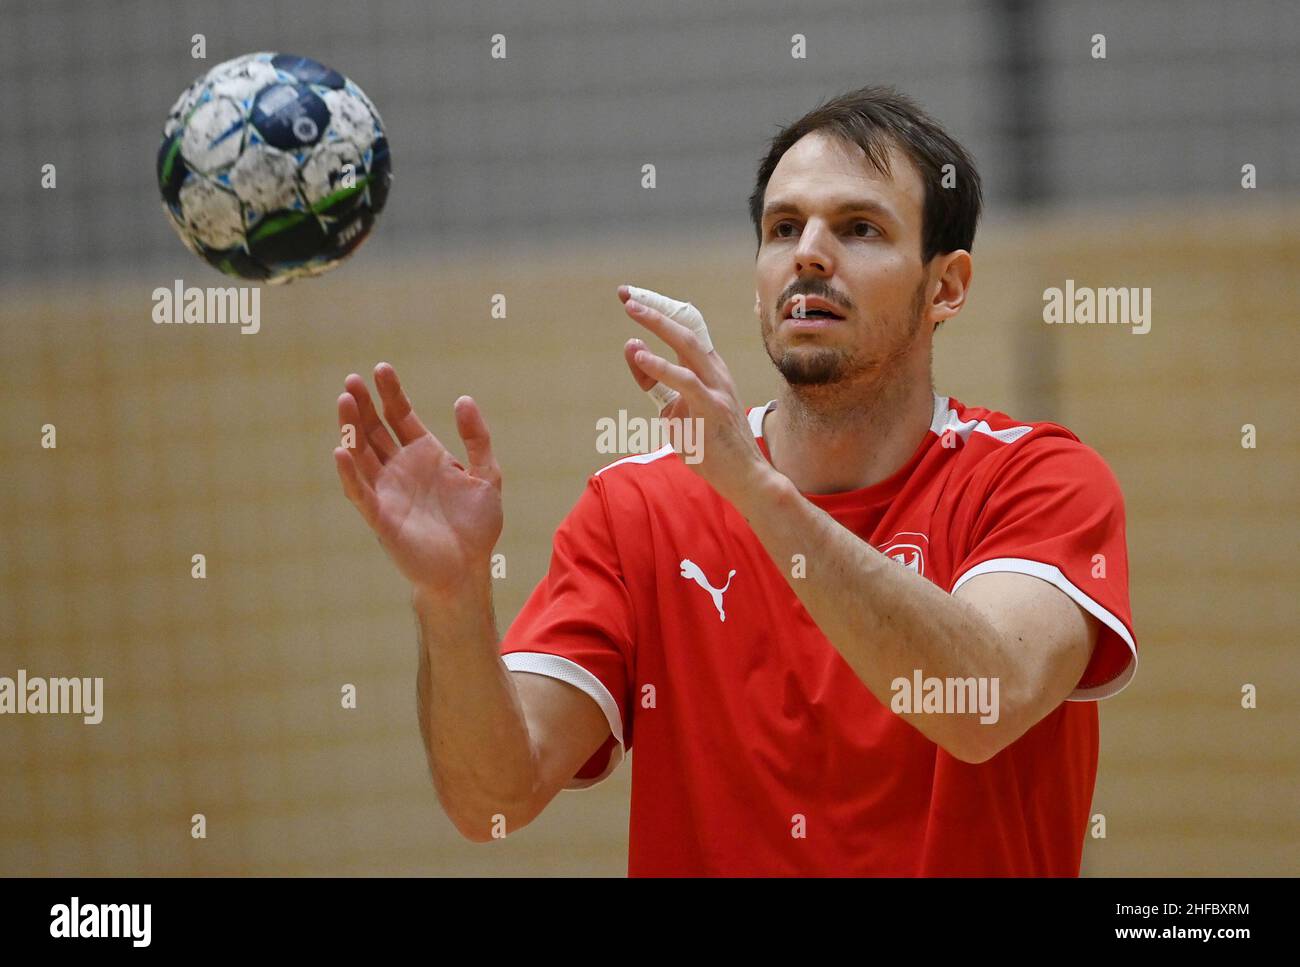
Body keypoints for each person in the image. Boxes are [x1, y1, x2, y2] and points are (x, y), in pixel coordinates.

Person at [332, 85, 1138, 876]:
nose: (808, 253)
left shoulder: (1038, 479)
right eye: (783, 227)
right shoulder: (637, 509)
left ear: (946, 287)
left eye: (860, 228)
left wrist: (755, 490)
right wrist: (452, 598)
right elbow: (491, 799)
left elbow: (981, 704)